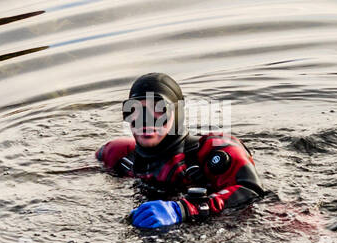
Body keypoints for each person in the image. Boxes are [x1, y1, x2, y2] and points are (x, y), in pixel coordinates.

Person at [97, 73, 265, 229]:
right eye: (135, 110)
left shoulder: (211, 150)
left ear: (177, 113)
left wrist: (184, 209)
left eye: (158, 109)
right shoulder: (119, 155)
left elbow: (251, 190)